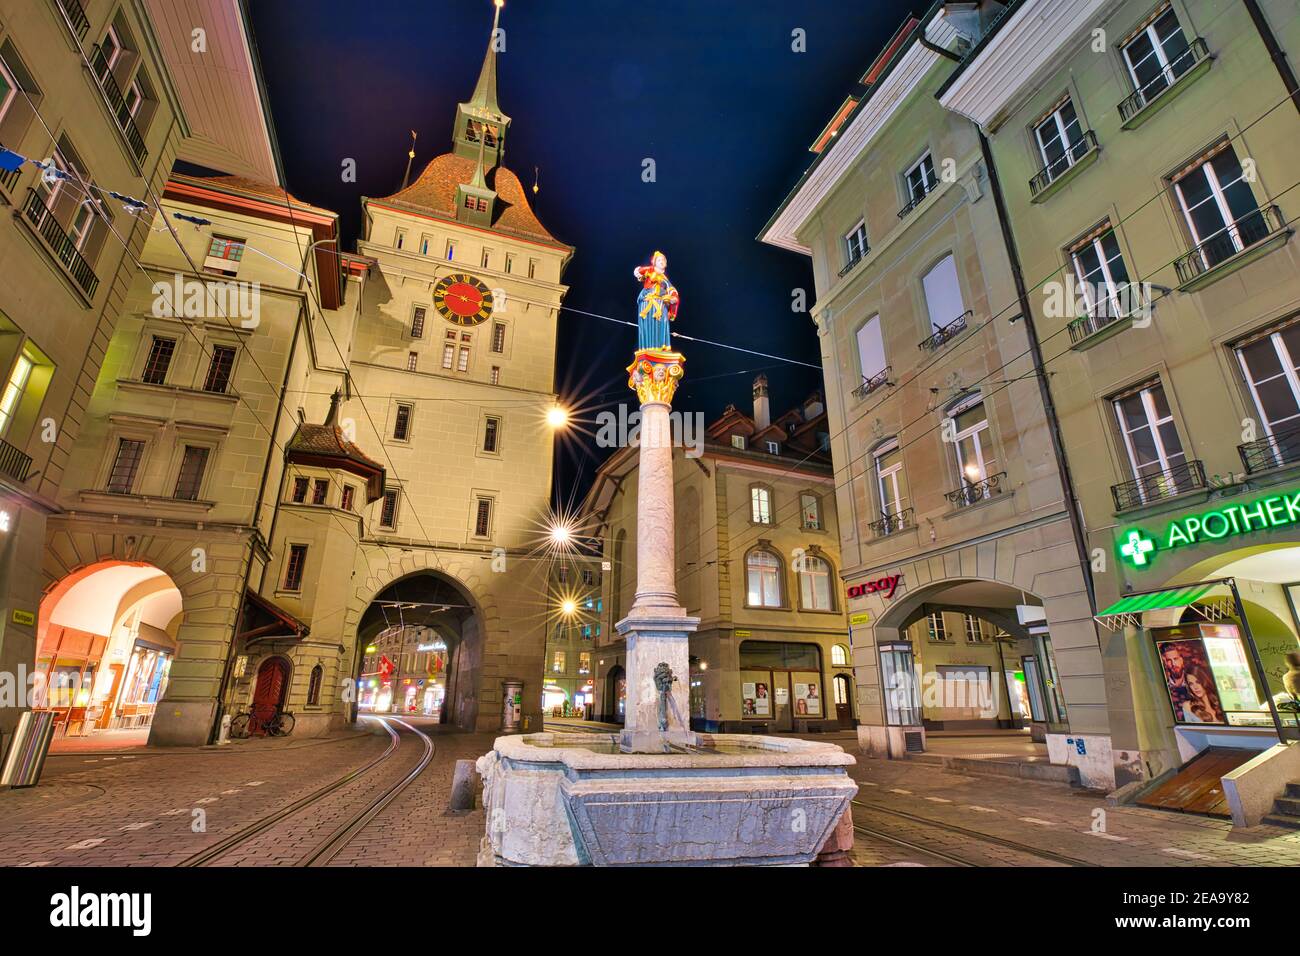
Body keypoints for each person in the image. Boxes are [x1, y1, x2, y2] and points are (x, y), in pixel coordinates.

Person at [633, 251, 679, 351]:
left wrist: (672, 298)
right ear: (654, 262)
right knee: (647, 326)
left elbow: (673, 291)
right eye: (659, 260)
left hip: (660, 306)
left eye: (663, 260)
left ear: (666, 264)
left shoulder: (665, 279)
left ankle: (661, 348)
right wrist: (649, 270)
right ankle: (647, 348)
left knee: (660, 325)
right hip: (647, 302)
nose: (661, 261)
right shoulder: (650, 271)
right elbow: (638, 271)